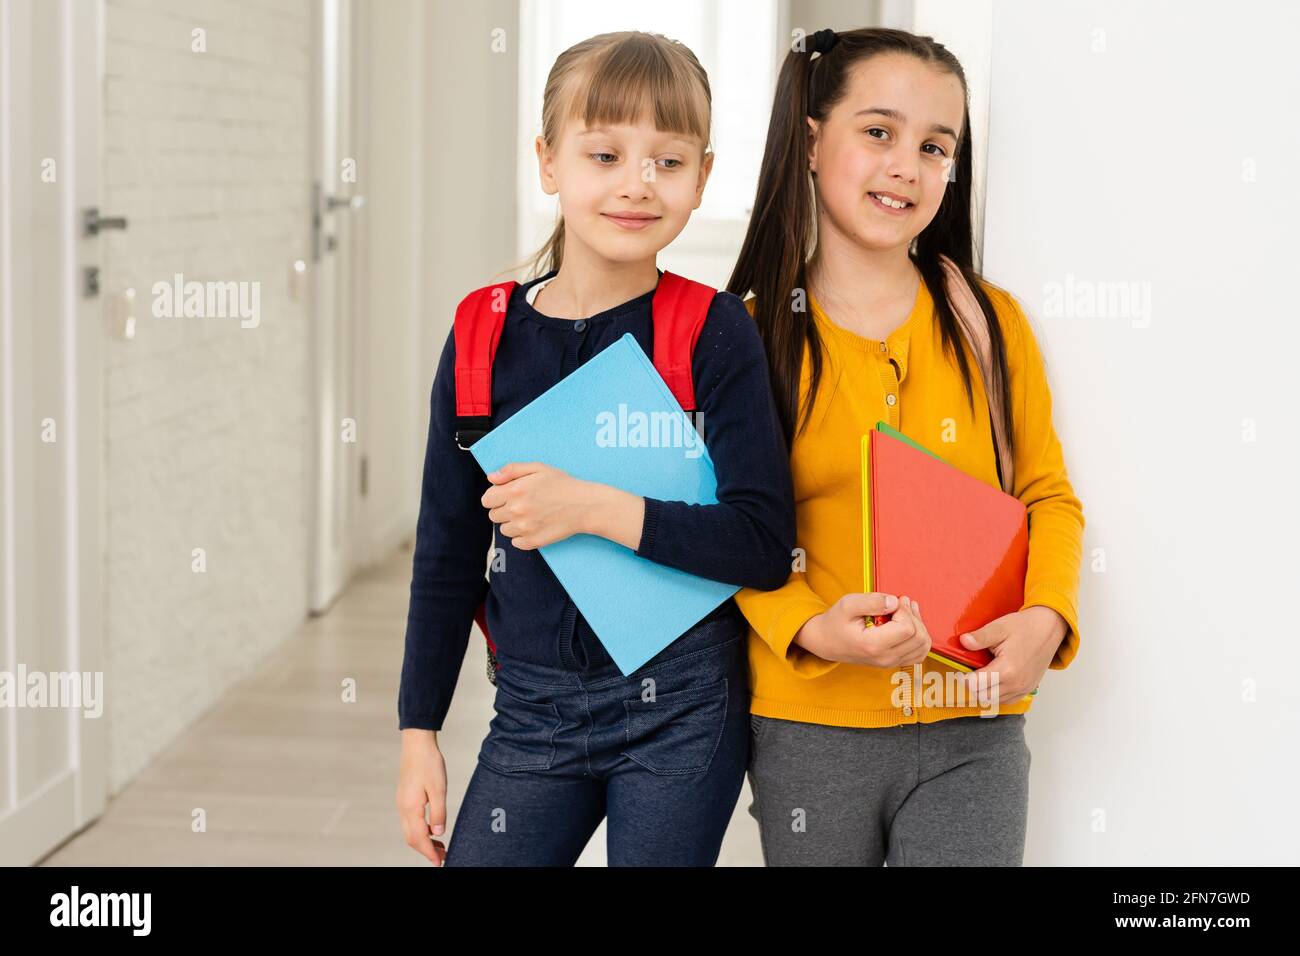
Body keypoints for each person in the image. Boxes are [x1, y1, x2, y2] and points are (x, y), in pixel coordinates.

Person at [396, 30, 795, 866]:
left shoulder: (715, 332)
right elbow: (447, 552)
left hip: (685, 707)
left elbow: (762, 545)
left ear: (703, 177)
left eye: (668, 162)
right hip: (532, 713)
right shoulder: (483, 335)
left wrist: (595, 510)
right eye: (605, 154)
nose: (636, 186)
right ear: (549, 163)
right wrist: (418, 733)